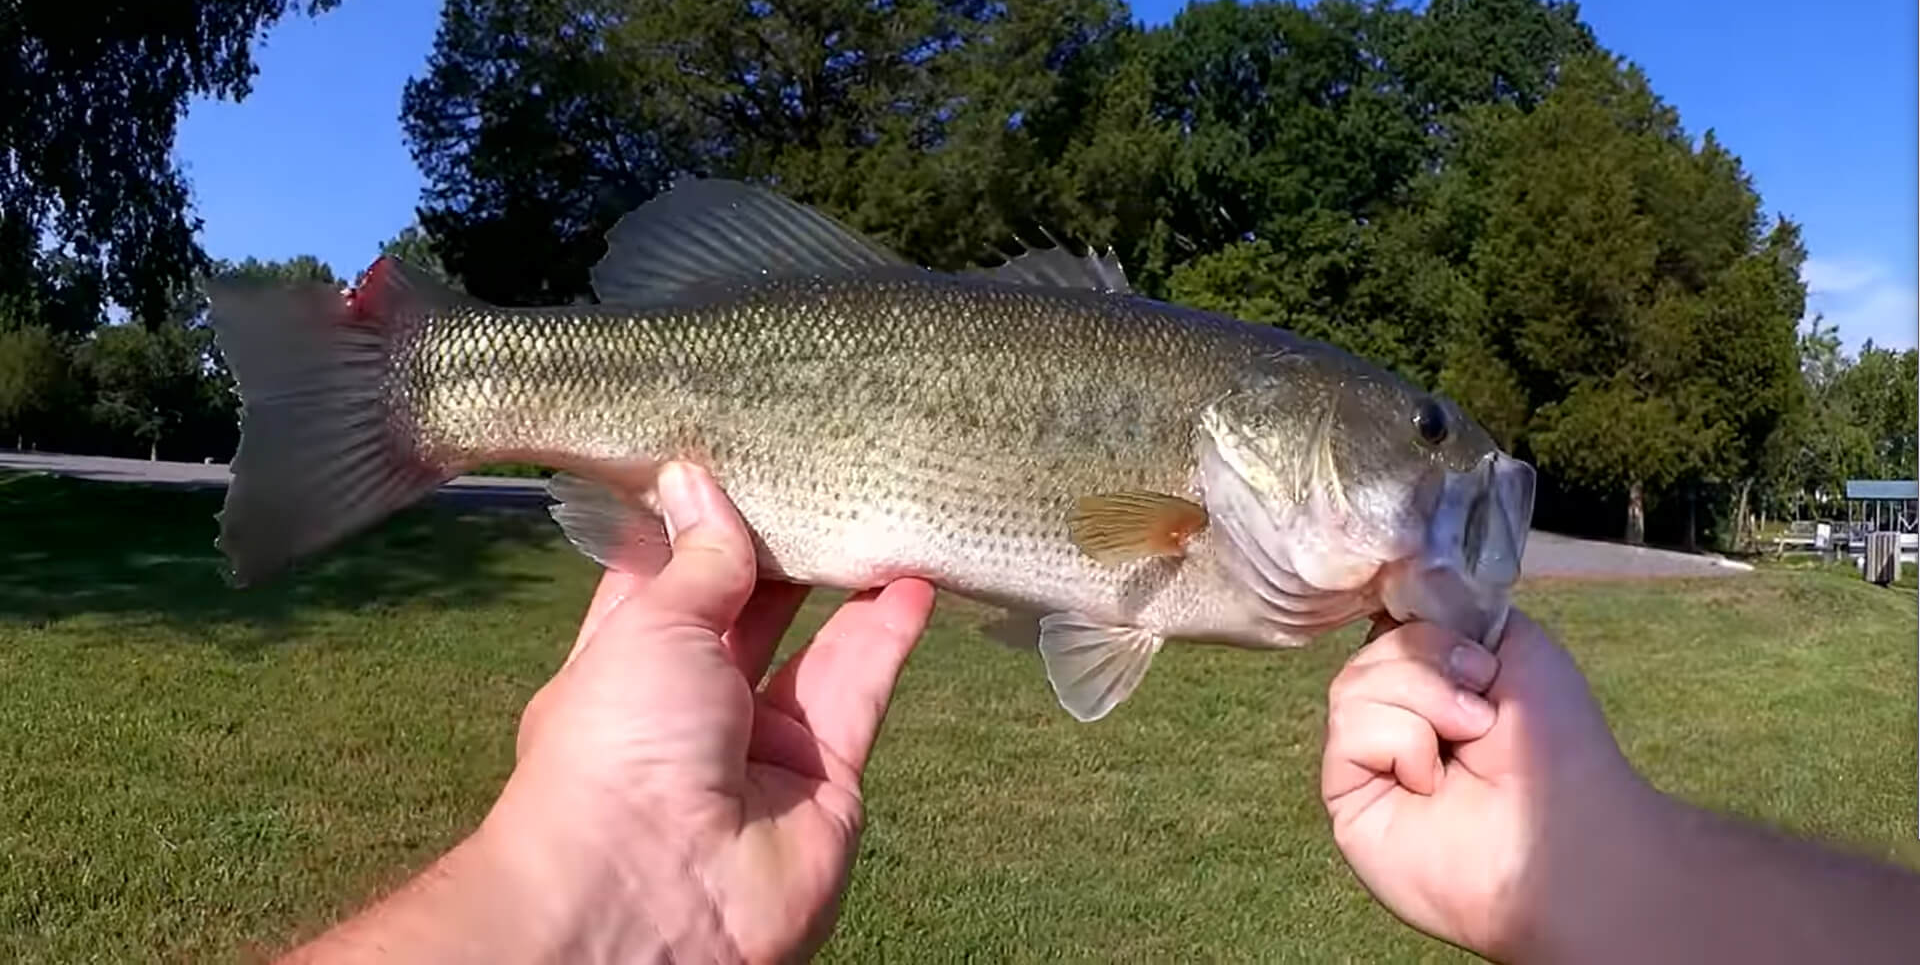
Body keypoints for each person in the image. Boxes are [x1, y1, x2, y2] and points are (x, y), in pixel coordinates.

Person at [283, 463, 1920, 964]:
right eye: (1415, 436)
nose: (1455, 466)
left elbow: (1096, 635)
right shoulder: (1181, 504)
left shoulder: (1240, 531)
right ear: (1263, 442)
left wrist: (1595, 869)